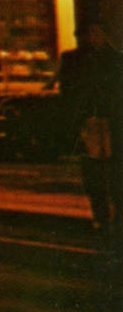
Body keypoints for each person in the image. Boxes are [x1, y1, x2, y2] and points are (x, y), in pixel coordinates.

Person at [59, 23, 121, 235]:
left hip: (107, 119)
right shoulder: (76, 60)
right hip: (93, 120)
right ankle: (103, 215)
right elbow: (68, 92)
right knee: (98, 170)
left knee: (109, 170)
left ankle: (109, 215)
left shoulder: (111, 59)